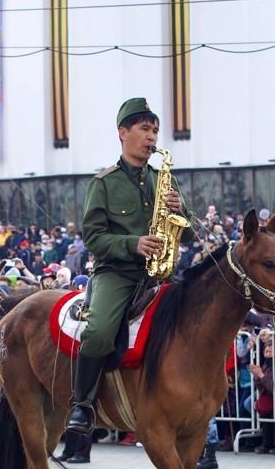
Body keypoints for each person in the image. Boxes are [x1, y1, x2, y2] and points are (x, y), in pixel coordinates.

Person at [64, 98, 193, 435]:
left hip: (162, 274)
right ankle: (83, 403)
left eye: (155, 131)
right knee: (99, 333)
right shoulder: (103, 183)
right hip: (118, 273)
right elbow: (93, 237)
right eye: (145, 130)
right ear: (124, 133)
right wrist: (132, 244)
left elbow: (188, 231)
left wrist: (182, 211)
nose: (152, 137)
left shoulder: (162, 179)